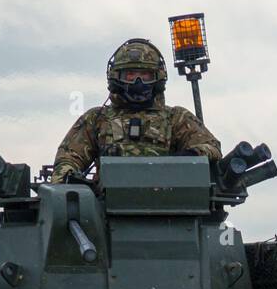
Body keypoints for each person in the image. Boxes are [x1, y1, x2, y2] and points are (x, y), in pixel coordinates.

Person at [51, 38, 221, 183]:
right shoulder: (97, 119)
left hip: (169, 205)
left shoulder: (176, 118)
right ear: (116, 77)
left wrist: (191, 155)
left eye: (145, 75)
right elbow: (68, 159)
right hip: (105, 209)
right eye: (131, 74)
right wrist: (70, 180)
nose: (138, 82)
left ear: (157, 77)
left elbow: (212, 148)